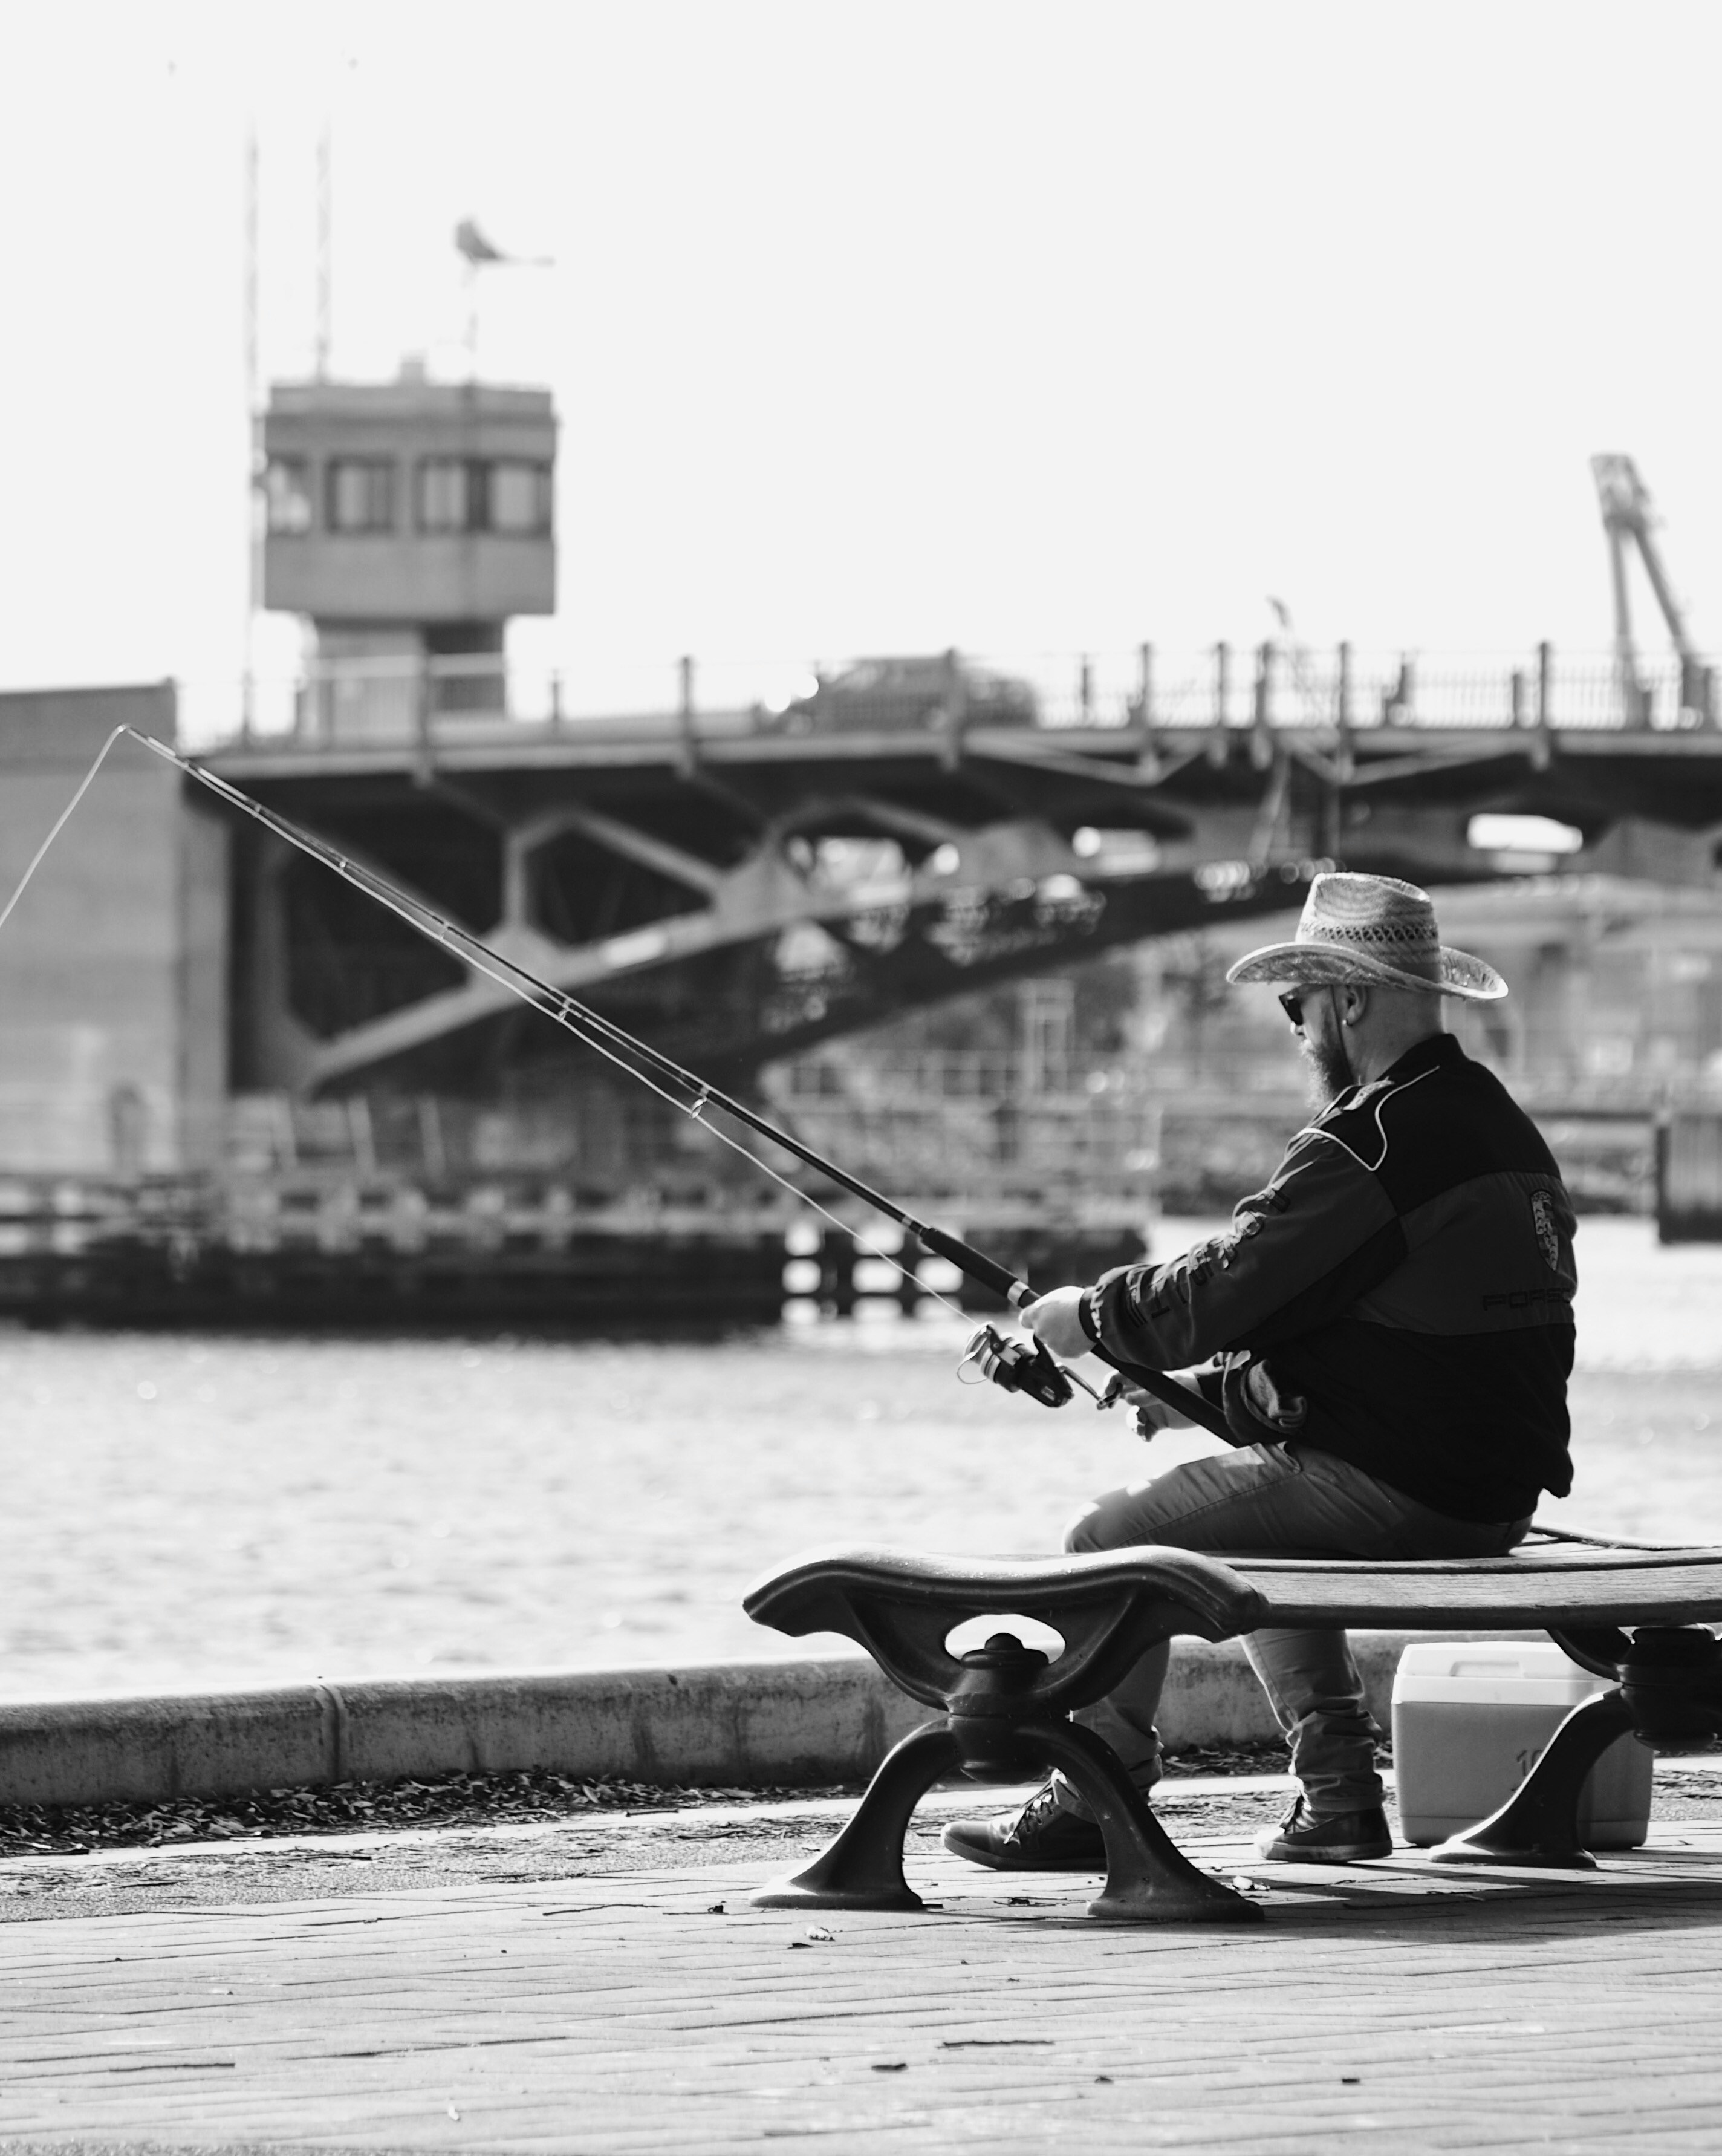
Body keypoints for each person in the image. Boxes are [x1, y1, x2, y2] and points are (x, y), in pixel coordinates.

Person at [943, 871, 1578, 1870]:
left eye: (1299, 1003)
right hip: (1493, 1489)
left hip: (1412, 1488)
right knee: (1259, 1524)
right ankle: (1336, 1799)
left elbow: (1227, 1286)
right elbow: (1388, 1343)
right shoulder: (1495, 1121)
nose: (1295, 1027)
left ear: (1350, 998)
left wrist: (1086, 1316)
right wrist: (1198, 1400)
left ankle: (1092, 1795)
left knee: (1111, 1535)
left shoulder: (1371, 1141)